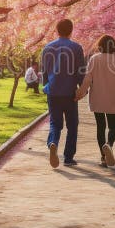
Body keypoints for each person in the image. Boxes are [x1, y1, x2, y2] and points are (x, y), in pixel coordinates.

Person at [76, 35, 115, 167]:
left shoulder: (94, 59)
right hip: (114, 99)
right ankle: (109, 145)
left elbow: (88, 79)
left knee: (100, 128)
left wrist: (80, 93)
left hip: (97, 99)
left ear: (100, 45)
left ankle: (103, 157)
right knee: (113, 128)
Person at [41, 19, 85, 168]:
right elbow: (80, 71)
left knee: (55, 122)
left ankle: (53, 142)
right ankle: (68, 157)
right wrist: (82, 89)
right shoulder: (76, 48)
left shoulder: (47, 48)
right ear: (71, 30)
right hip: (70, 92)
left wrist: (45, 86)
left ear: (56, 30)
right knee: (72, 125)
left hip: (52, 91)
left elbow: (45, 71)